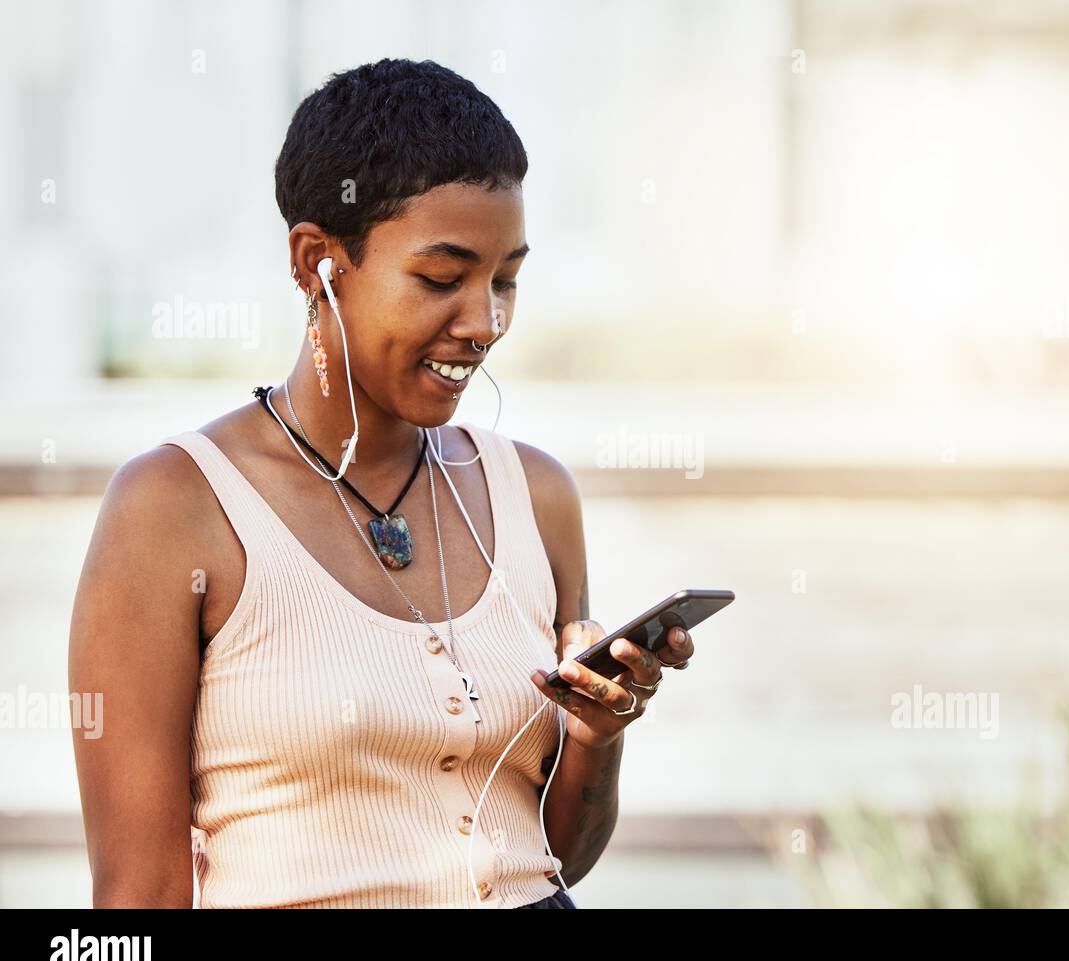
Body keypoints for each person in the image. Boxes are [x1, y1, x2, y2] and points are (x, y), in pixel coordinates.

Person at [67, 57, 694, 909]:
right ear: (317, 261)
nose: (485, 323)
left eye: (506, 278)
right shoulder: (175, 512)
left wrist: (596, 733)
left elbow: (555, 857)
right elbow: (136, 900)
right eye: (442, 278)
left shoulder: (535, 496)